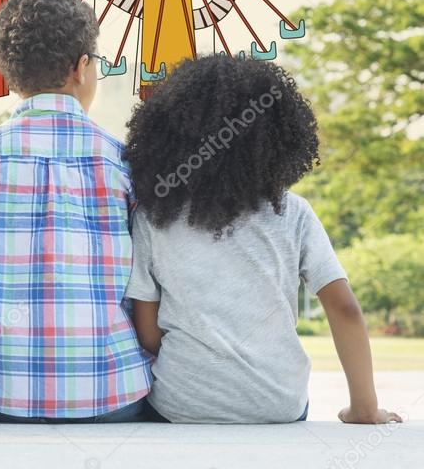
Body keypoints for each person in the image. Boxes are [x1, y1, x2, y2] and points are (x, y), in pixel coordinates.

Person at [124, 54, 402, 425]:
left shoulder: (153, 218)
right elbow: (345, 309)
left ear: (168, 136)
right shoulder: (294, 213)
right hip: (278, 406)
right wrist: (365, 409)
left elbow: (148, 333)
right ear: (277, 139)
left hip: (181, 405)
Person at [0, 0, 150, 422]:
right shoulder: (122, 159)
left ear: (11, 74)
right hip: (112, 389)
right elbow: (145, 279)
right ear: (81, 67)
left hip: (4, 391)